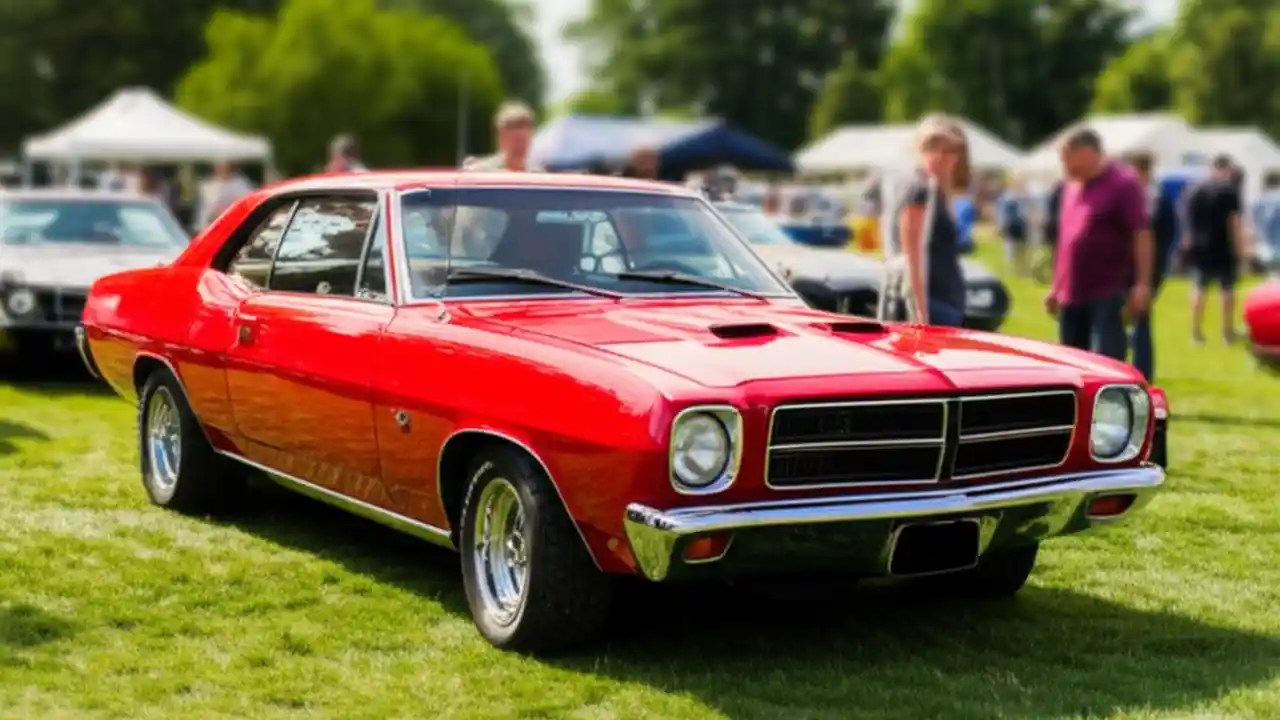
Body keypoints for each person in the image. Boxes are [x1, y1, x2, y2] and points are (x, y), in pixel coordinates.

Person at [1047, 128, 1153, 361]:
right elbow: (1066, 238)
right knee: (1071, 361)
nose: (1065, 168)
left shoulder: (1124, 184)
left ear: (1087, 153)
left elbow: (1141, 234)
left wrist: (1142, 283)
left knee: (1107, 361)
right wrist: (1057, 285)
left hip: (1108, 291)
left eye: (1068, 160)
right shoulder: (1071, 186)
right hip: (1072, 292)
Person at [892, 114, 969, 327]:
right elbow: (913, 254)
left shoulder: (939, 191)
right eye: (933, 148)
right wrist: (919, 310)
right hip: (932, 301)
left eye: (950, 151)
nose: (942, 157)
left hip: (947, 297)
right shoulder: (920, 190)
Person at [1181, 154, 1246, 343]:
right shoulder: (1229, 190)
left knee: (1199, 287)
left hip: (1199, 245)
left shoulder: (1195, 189)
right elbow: (1234, 222)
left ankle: (1195, 332)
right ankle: (1227, 332)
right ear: (1226, 168)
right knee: (1227, 288)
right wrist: (1240, 250)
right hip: (1223, 244)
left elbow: (1187, 221)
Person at [1122, 152, 1172, 380]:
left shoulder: (1154, 199)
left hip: (1142, 269)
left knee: (1139, 321)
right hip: (1132, 268)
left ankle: (1141, 373)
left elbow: (1165, 237)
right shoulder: (1159, 198)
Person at [463, 101, 541, 172]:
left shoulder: (536, 175)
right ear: (501, 136)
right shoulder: (482, 172)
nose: (521, 147)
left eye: (525, 140)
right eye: (517, 140)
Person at [196, 160, 255, 230]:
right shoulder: (207, 186)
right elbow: (203, 214)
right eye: (220, 165)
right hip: (214, 228)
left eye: (226, 165)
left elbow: (250, 204)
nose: (223, 168)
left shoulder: (241, 184)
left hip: (237, 226)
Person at [997, 178, 1030, 274]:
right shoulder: (1006, 196)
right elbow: (1002, 212)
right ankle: (1012, 269)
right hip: (1011, 225)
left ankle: (1022, 268)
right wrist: (1001, 225)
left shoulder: (1024, 195)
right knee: (1011, 247)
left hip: (1022, 225)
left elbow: (1027, 210)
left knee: (1022, 248)